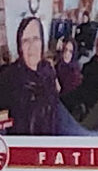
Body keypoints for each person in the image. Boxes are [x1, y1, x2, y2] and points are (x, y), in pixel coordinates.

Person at [0, 7, 64, 138]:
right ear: (19, 46)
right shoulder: (8, 77)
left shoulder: (48, 70)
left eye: (36, 39)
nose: (32, 46)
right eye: (25, 41)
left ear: (42, 42)